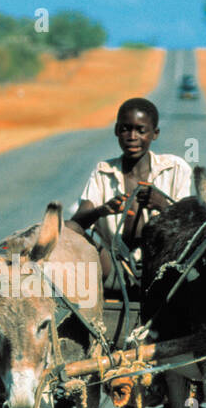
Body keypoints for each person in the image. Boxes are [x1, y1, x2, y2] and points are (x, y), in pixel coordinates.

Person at [67, 97, 191, 287]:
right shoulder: (103, 171)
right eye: (125, 129)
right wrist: (102, 210)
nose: (132, 137)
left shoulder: (176, 169)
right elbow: (76, 224)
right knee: (72, 233)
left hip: (163, 269)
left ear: (154, 134)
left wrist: (163, 205)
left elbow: (192, 226)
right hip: (114, 269)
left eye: (141, 130)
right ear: (117, 130)